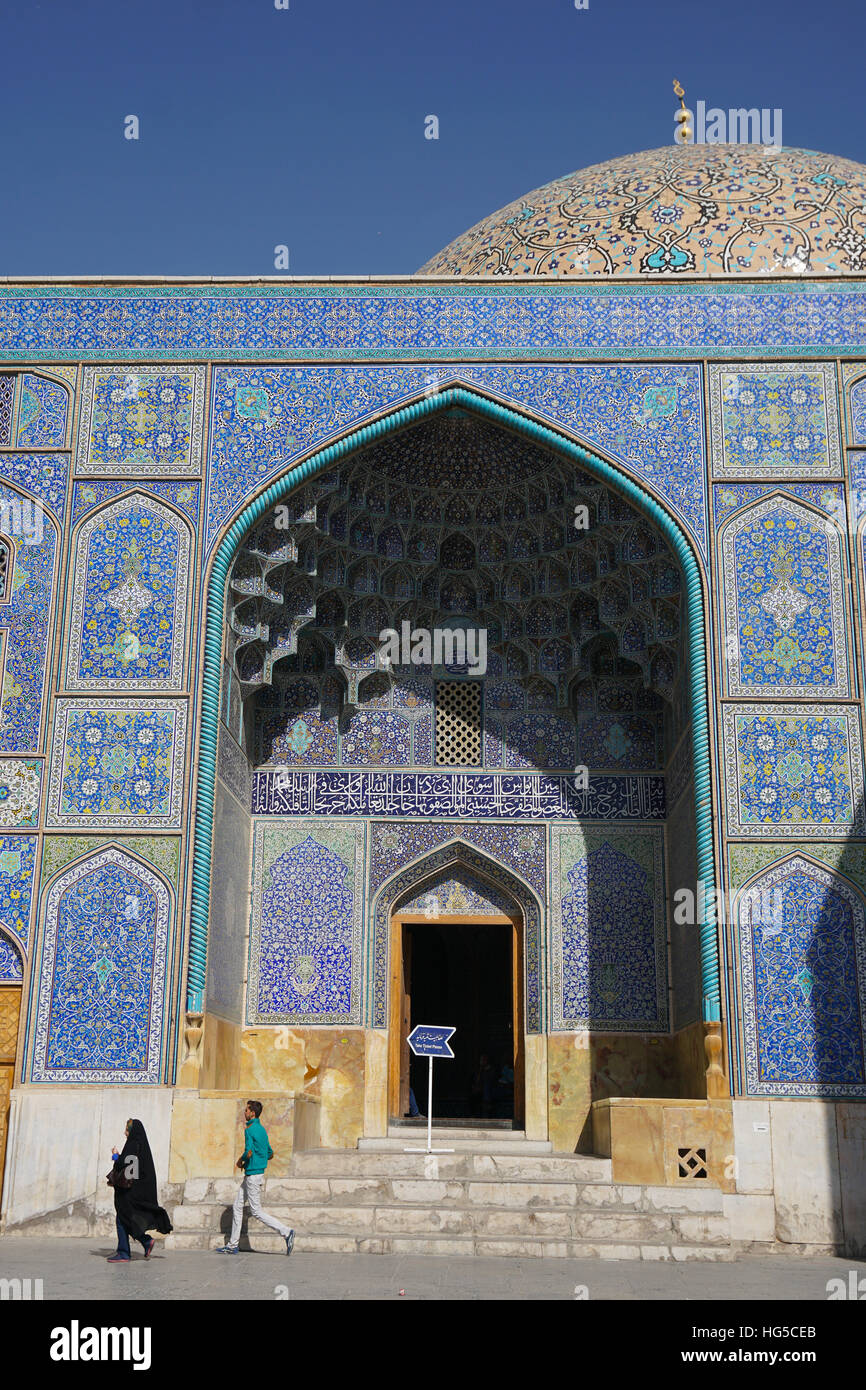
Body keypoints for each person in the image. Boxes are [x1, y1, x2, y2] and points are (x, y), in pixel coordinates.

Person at [217, 1100, 295, 1255]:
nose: (244, 1112)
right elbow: (270, 1153)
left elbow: (248, 1151)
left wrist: (241, 1161)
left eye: (246, 1110)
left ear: (252, 1112)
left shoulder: (250, 1129)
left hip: (253, 1175)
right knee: (238, 1206)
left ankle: (286, 1231)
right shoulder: (261, 1130)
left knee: (256, 1211)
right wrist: (260, 1159)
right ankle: (233, 1245)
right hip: (254, 1173)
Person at [106, 1118, 173, 1263]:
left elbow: (129, 1169)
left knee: (121, 1219)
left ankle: (125, 1252)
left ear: (132, 1131)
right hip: (136, 1191)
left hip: (130, 1193)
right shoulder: (141, 1145)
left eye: (127, 1130)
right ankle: (145, 1242)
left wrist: (116, 1156)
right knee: (125, 1219)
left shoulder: (133, 1145)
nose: (125, 1133)